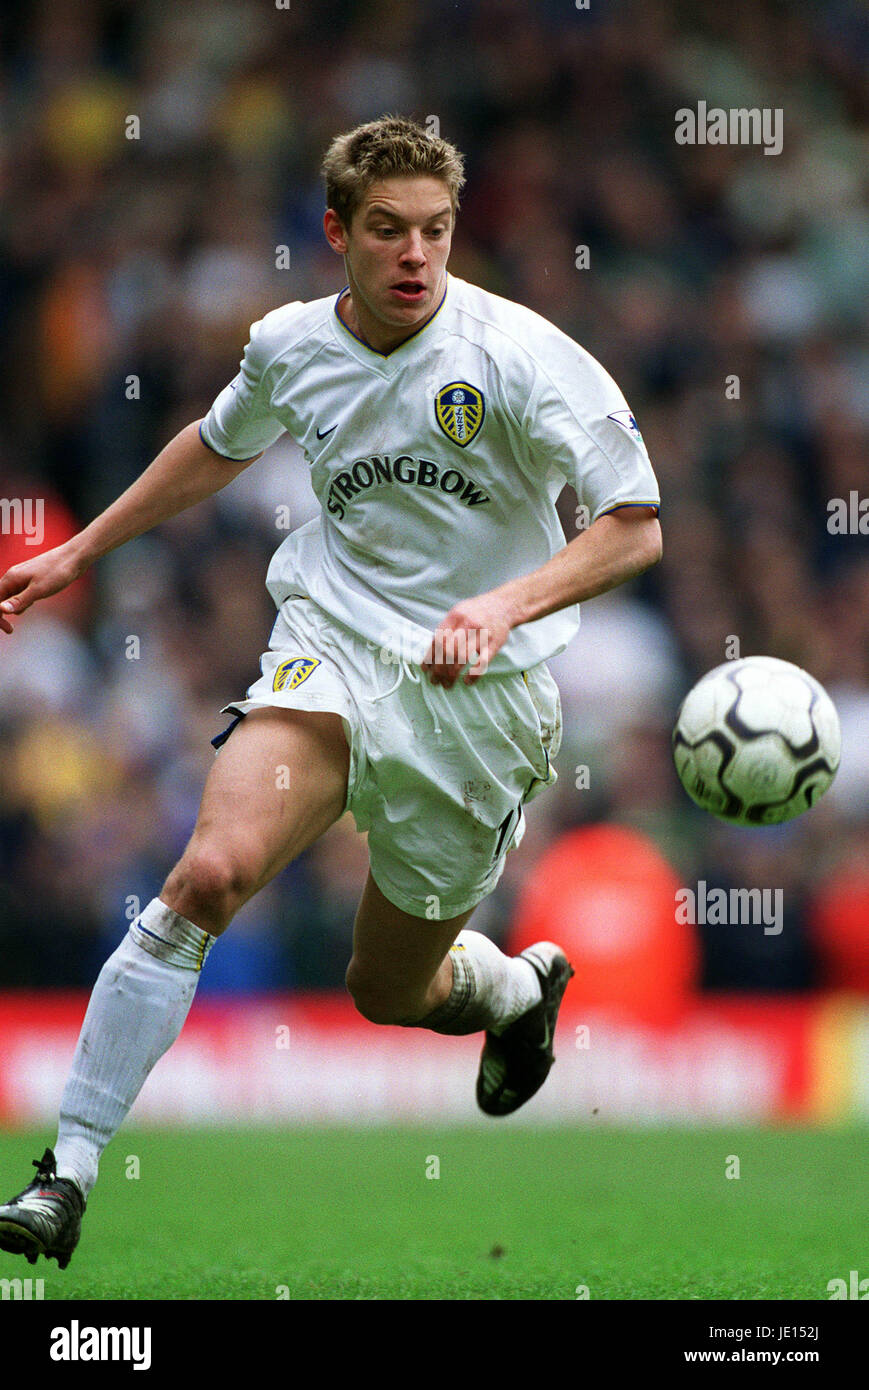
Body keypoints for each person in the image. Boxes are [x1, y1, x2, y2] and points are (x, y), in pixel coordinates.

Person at [0, 116, 661, 1269]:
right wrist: (81, 551)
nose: (416, 255)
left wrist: (502, 604)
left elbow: (633, 529)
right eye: (389, 231)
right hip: (335, 647)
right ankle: (67, 1172)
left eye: (437, 232)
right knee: (207, 873)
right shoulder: (290, 345)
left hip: (482, 697)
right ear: (336, 234)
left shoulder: (522, 356)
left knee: (385, 991)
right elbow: (215, 442)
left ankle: (511, 989)